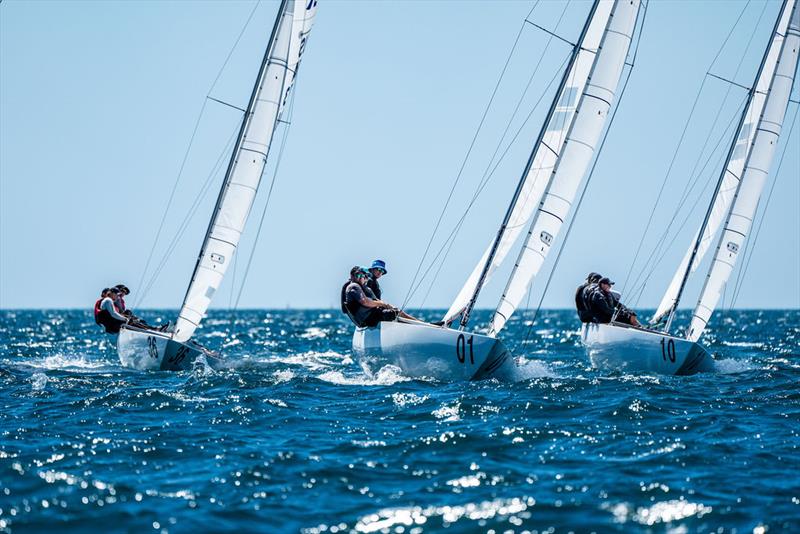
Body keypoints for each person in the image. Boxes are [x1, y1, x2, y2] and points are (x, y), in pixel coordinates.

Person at [341, 266, 419, 327]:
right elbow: (365, 302)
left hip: (371, 315)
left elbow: (375, 300)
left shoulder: (365, 288)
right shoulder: (353, 286)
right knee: (393, 313)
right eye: (358, 275)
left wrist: (387, 306)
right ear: (352, 276)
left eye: (363, 276)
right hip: (367, 318)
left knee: (395, 311)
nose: (361, 278)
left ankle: (418, 322)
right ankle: (416, 325)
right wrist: (383, 304)